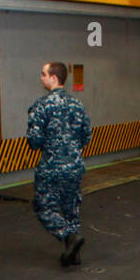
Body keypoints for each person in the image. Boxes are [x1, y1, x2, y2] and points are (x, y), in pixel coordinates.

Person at [26, 61, 91, 267]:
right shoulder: (77, 105)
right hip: (74, 165)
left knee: (43, 207)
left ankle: (68, 237)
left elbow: (34, 141)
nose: (41, 78)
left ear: (54, 78)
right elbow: (86, 136)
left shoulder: (41, 106)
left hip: (51, 167)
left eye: (44, 74)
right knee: (71, 208)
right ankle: (73, 253)